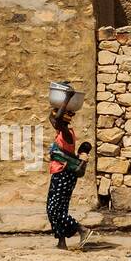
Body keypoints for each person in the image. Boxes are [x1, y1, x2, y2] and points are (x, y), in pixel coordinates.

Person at [47, 104, 93, 250]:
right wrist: (57, 104)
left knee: (54, 210)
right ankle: (61, 242)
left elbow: (58, 119)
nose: (54, 121)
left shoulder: (66, 133)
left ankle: (82, 229)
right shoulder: (61, 131)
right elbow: (53, 118)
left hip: (64, 174)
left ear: (62, 121)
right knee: (56, 209)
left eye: (57, 119)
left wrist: (66, 99)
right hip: (60, 173)